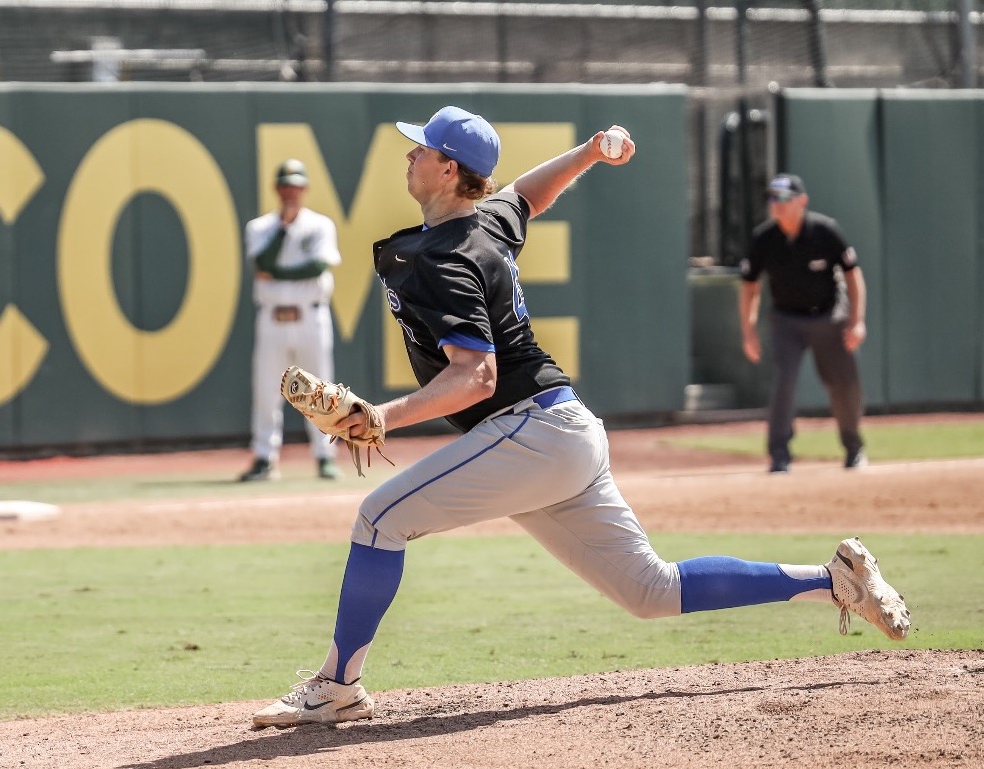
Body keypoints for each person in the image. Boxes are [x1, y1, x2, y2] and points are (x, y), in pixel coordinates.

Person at [250, 107, 911, 729]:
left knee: (378, 518)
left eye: (421, 147)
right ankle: (835, 581)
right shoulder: (486, 220)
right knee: (650, 591)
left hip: (526, 432)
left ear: (447, 169)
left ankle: (338, 685)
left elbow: (474, 375)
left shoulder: (446, 257)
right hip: (557, 431)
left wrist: (384, 417)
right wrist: (590, 152)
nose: (409, 152)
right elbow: (529, 194)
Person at [738, 174, 869, 473]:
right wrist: (748, 331)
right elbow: (749, 286)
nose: (777, 205)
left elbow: (853, 275)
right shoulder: (765, 239)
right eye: (773, 199)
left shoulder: (825, 231)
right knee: (784, 384)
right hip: (787, 320)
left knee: (844, 385)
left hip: (829, 316)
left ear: (802, 202)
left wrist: (856, 320)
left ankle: (853, 448)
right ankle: (779, 456)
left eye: (784, 199)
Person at [240, 159, 344, 481]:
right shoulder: (261, 227)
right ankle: (264, 456)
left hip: (311, 315)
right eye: (285, 185)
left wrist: (278, 274)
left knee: (320, 388)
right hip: (273, 318)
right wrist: (284, 229)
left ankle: (325, 455)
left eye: (296, 185)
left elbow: (317, 268)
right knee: (266, 390)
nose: (290, 192)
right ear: (276, 188)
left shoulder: (320, 225)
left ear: (305, 189)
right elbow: (262, 261)